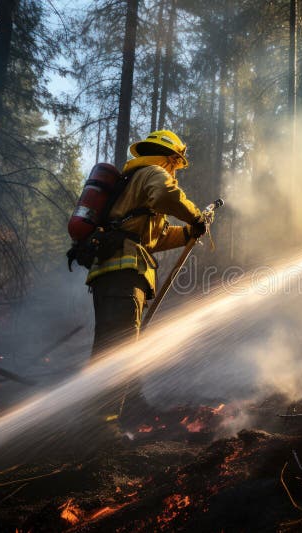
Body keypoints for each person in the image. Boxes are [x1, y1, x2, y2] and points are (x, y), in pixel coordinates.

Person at [86, 129, 207, 431]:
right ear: (171, 157)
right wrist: (195, 217)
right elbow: (167, 196)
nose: (175, 171)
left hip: (116, 273)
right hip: (123, 274)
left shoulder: (136, 180)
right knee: (119, 349)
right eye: (176, 165)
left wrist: (189, 233)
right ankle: (101, 427)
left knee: (117, 345)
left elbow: (156, 237)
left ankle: (130, 409)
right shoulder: (153, 172)